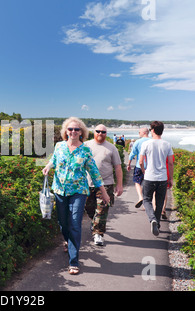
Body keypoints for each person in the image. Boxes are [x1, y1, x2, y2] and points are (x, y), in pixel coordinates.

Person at [42, 117, 110, 275]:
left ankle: (73, 261)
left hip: (78, 191)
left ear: (82, 132)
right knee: (63, 222)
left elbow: (94, 172)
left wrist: (104, 192)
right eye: (70, 129)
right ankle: (67, 240)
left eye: (76, 129)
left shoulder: (85, 150)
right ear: (66, 131)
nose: (73, 132)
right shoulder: (59, 146)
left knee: (74, 223)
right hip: (60, 190)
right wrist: (47, 167)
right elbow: (53, 159)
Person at [85, 125, 123, 246]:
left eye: (103, 132)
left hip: (106, 183)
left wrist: (119, 185)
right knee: (88, 208)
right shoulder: (85, 146)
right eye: (98, 131)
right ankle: (94, 223)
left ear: (106, 133)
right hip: (87, 183)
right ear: (93, 132)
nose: (100, 133)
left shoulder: (112, 148)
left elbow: (117, 167)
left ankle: (98, 234)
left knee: (102, 209)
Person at [139, 121, 174, 236]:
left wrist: (144, 170)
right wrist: (171, 178)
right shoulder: (167, 144)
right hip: (163, 178)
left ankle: (152, 219)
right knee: (159, 203)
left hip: (150, 176)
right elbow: (170, 163)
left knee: (147, 199)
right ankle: (157, 223)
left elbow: (140, 161)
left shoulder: (146, 144)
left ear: (152, 130)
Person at [127, 127, 150, 208]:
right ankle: (147, 202)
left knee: (137, 182)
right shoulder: (152, 141)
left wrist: (128, 164)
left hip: (139, 166)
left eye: (139, 132)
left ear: (143, 132)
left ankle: (140, 197)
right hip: (150, 167)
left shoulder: (138, 141)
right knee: (148, 184)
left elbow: (132, 154)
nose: (138, 133)